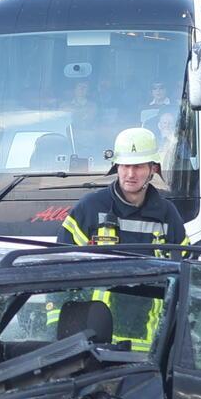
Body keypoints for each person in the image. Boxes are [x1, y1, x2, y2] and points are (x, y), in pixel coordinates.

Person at [55, 127, 188, 348]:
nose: (130, 174)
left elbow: (185, 279)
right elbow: (57, 271)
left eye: (138, 166)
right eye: (125, 165)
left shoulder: (168, 216)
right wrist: (58, 329)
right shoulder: (89, 209)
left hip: (151, 351)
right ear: (116, 166)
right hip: (94, 347)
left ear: (153, 169)